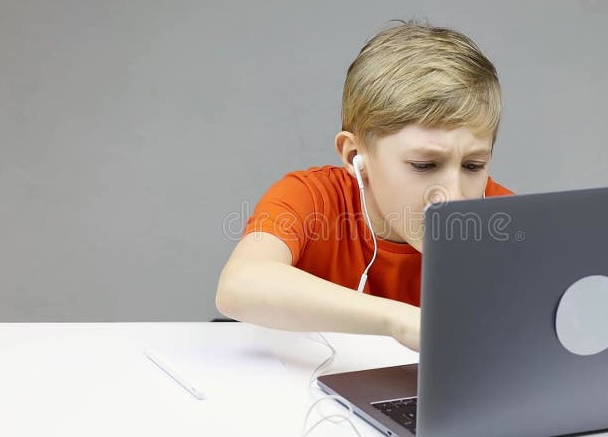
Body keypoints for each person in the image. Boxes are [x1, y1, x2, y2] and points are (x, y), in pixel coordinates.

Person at [215, 20, 514, 352]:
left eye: (473, 166)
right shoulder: (310, 197)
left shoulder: (504, 217)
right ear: (356, 156)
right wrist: (400, 321)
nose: (455, 196)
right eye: (424, 165)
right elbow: (239, 286)